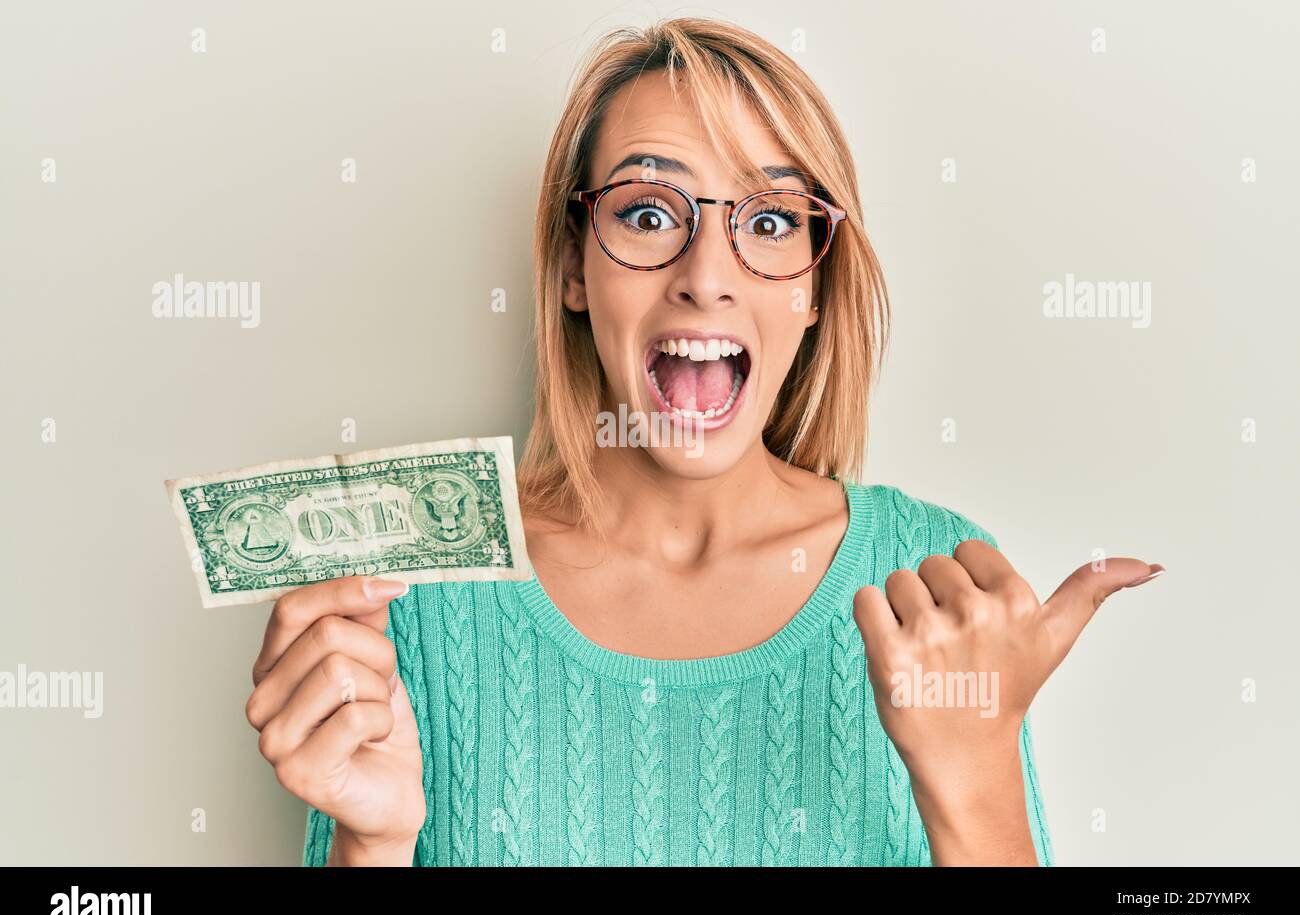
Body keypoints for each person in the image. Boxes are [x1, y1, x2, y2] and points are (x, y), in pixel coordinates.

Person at [245, 17, 1163, 866]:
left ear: (814, 287)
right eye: (649, 213)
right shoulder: (414, 591)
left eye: (768, 222)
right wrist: (372, 848)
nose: (708, 277)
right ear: (574, 264)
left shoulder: (932, 581)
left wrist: (975, 778)